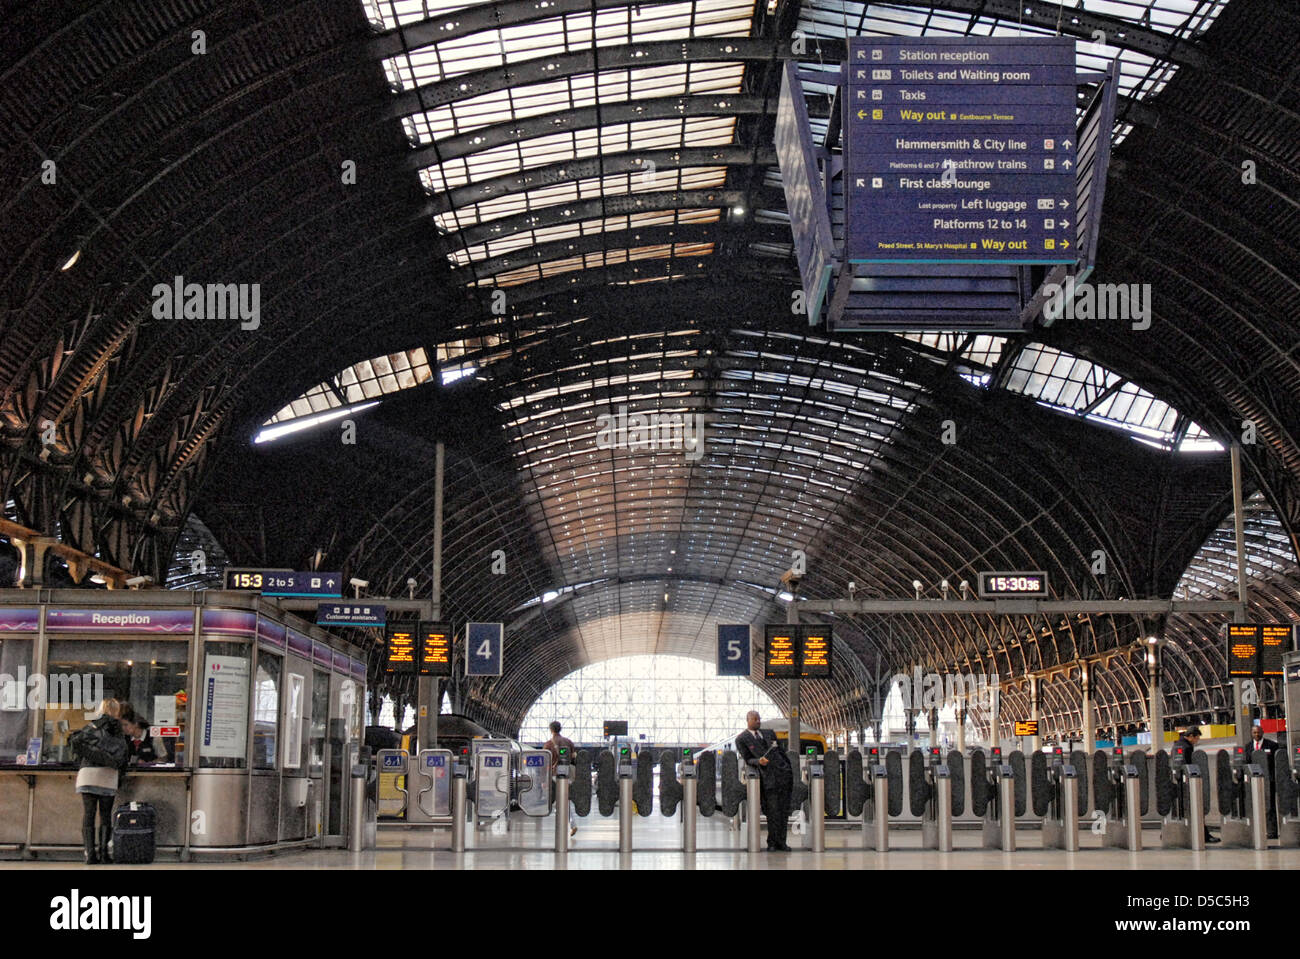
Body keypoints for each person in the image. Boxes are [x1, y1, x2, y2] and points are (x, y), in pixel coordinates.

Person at [69, 698, 130, 864]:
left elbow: (77, 745)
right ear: (117, 711)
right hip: (107, 774)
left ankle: (89, 854)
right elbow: (123, 754)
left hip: (87, 773)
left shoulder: (91, 726)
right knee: (105, 814)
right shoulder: (117, 727)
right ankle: (104, 854)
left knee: (88, 814)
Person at [736, 711, 792, 851]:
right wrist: (759, 761)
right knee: (772, 811)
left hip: (782, 775)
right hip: (767, 778)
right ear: (748, 720)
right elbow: (747, 759)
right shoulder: (741, 739)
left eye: (759, 718)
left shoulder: (769, 733)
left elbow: (780, 751)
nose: (758, 721)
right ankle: (772, 843)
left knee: (783, 811)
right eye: (755, 719)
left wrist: (787, 768)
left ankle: (782, 842)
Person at [1174, 726, 1219, 843]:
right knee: (1197, 808)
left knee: (1183, 809)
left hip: (1180, 782)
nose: (1197, 741)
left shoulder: (1177, 745)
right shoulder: (1187, 747)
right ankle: (1204, 835)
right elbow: (1190, 765)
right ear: (1191, 736)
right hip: (1191, 782)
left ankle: (1174, 834)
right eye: (1196, 738)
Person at [1245, 724, 1281, 839]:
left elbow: (1277, 763)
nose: (1257, 735)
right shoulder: (1248, 747)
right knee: (1255, 805)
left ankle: (1271, 831)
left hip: (1268, 781)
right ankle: (1257, 829)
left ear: (1263, 732)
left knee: (1270, 806)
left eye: (1258, 732)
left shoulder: (1272, 745)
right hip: (1253, 782)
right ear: (1252, 733)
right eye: (1254, 733)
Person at [542, 721, 578, 836]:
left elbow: (545, 762)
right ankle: (569, 824)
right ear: (560, 729)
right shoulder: (568, 742)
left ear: (551, 730)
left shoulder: (548, 745)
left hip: (555, 775)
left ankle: (567, 824)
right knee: (563, 800)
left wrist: (544, 779)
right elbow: (573, 757)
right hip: (568, 774)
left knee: (560, 800)